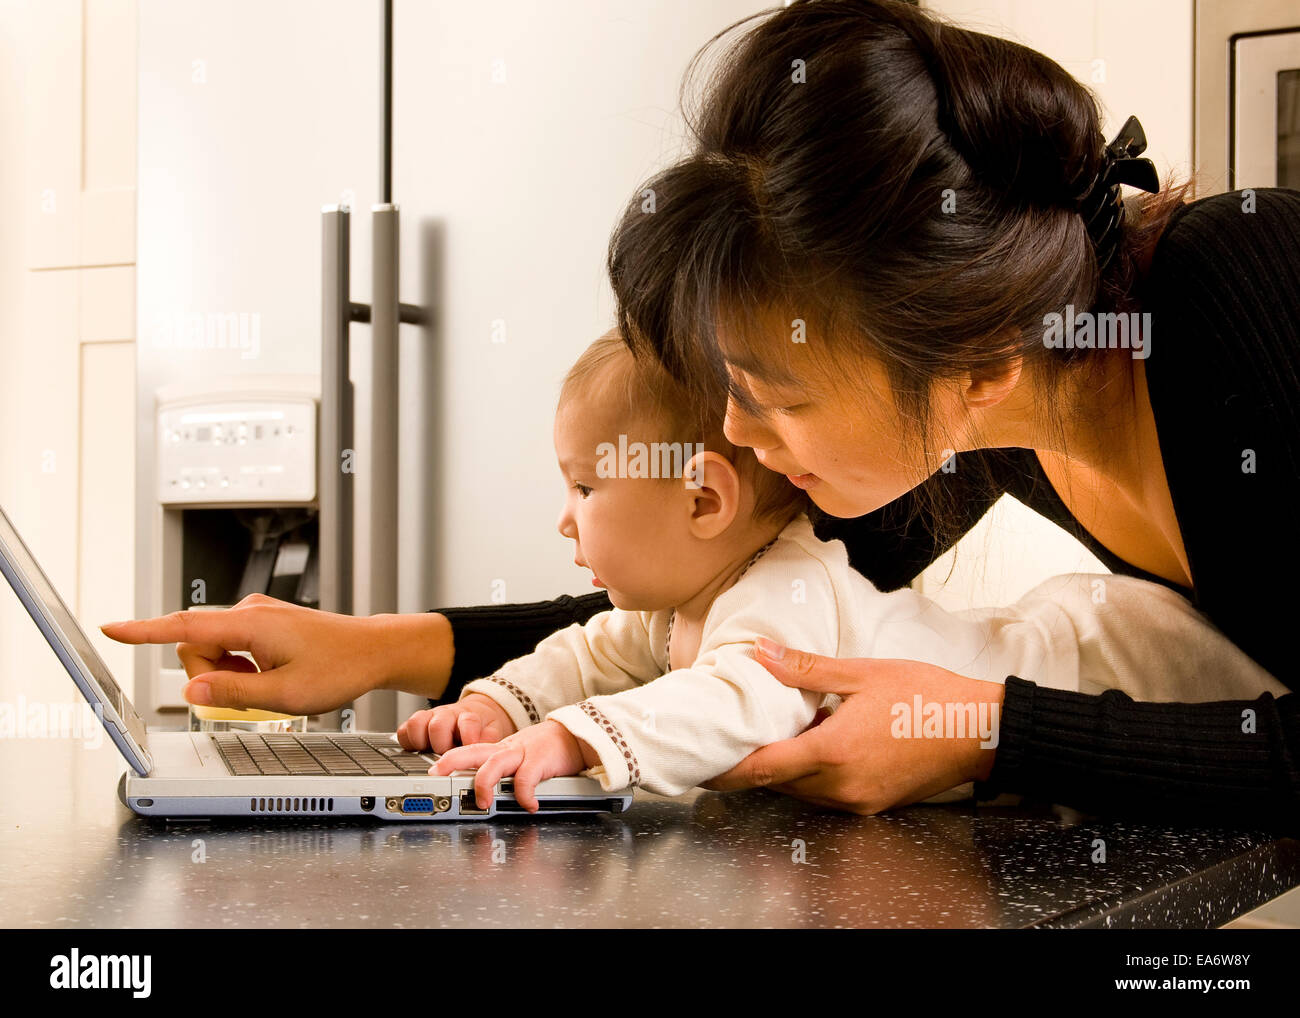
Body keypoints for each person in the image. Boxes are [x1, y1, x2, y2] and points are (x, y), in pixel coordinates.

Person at [101, 0, 1300, 829]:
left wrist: (993, 730)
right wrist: (377, 645)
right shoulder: (983, 416)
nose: (729, 435)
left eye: (771, 394)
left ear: (971, 364)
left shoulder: (1240, 292)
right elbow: (710, 599)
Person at [394, 330, 1286, 813]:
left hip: (1106, 658)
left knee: (1255, 713)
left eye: (584, 487)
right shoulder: (690, 603)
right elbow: (592, 650)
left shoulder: (784, 588)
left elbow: (737, 699)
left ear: (704, 502)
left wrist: (571, 739)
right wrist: (501, 703)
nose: (563, 517)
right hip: (1054, 667)